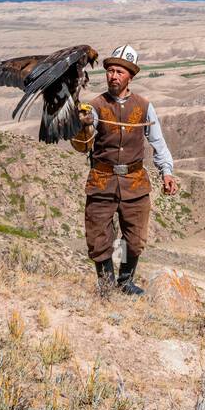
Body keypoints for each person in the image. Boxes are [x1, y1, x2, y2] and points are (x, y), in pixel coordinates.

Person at [71, 44, 179, 294]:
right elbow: (81, 145)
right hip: (101, 180)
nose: (113, 76)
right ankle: (106, 287)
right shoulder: (95, 107)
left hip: (135, 181)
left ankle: (126, 282)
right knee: (99, 235)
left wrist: (167, 172)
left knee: (135, 237)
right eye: (110, 71)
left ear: (130, 76)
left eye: (120, 72)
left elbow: (158, 142)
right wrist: (83, 127)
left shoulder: (144, 107)